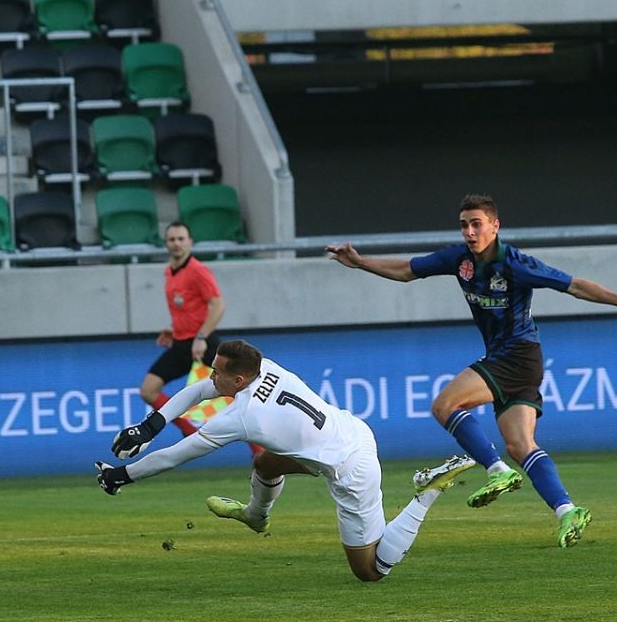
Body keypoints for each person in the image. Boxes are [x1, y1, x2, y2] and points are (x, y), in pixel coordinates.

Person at [325, 194, 617, 547]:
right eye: (464, 225)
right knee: (521, 445)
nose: (469, 232)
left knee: (445, 405)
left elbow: (574, 285)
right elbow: (407, 270)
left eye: (476, 224)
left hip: (516, 355)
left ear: (495, 226)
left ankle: (496, 470)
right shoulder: (458, 259)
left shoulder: (516, 263)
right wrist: (360, 262)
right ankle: (567, 511)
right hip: (518, 360)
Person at [96, 339, 477, 582]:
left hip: (350, 468)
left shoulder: (241, 417)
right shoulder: (267, 366)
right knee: (266, 463)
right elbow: (199, 390)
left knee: (370, 570)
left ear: (240, 379)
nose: (211, 376)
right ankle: (255, 516)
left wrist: (121, 475)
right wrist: (149, 426)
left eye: (218, 371)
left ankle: (426, 493)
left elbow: (176, 456)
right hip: (350, 431)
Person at [140, 221, 227, 439]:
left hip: (202, 343)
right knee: (148, 390)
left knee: (241, 392)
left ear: (190, 242)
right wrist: (173, 328)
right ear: (166, 243)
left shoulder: (198, 271)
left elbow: (218, 305)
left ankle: (260, 450)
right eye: (172, 239)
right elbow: (187, 307)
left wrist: (201, 336)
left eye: (181, 239)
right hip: (181, 343)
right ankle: (190, 433)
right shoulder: (170, 272)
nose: (176, 244)